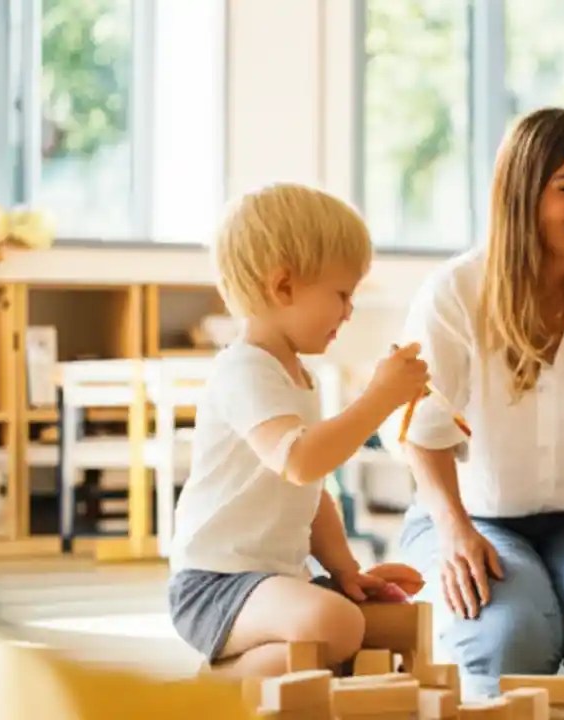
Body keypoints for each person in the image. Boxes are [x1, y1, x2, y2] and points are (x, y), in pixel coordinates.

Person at [392, 108, 564, 698]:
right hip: (480, 515)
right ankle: (539, 606)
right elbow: (422, 429)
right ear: (522, 197)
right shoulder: (456, 291)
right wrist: (455, 531)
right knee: (512, 651)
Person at [167, 184, 428, 676]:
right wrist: (378, 398)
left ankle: (305, 675)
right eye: (342, 294)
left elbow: (313, 491)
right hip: (214, 585)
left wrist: (346, 570)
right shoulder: (245, 370)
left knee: (386, 618)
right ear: (284, 287)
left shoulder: (297, 375)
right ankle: (218, 685)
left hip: (274, 582)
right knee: (338, 627)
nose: (350, 311)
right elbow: (300, 460)